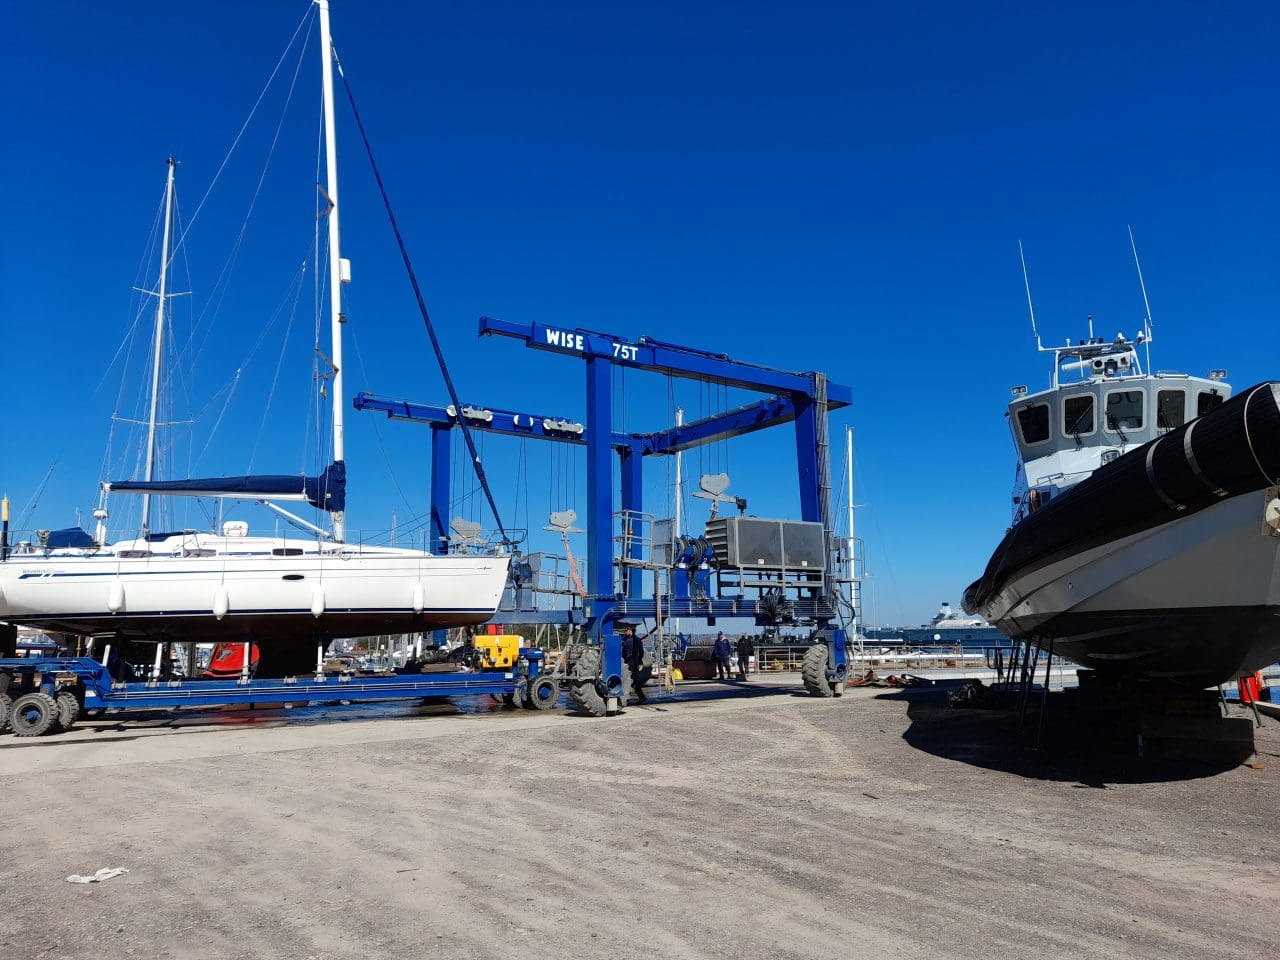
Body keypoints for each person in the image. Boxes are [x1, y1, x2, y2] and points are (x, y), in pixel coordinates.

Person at [620, 623, 647, 703]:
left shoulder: (632, 640)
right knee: (633, 681)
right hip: (631, 661)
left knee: (632, 681)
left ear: (630, 630)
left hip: (631, 662)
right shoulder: (631, 640)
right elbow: (641, 652)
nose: (625, 632)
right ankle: (639, 697)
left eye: (626, 631)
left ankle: (639, 697)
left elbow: (640, 652)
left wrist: (638, 661)